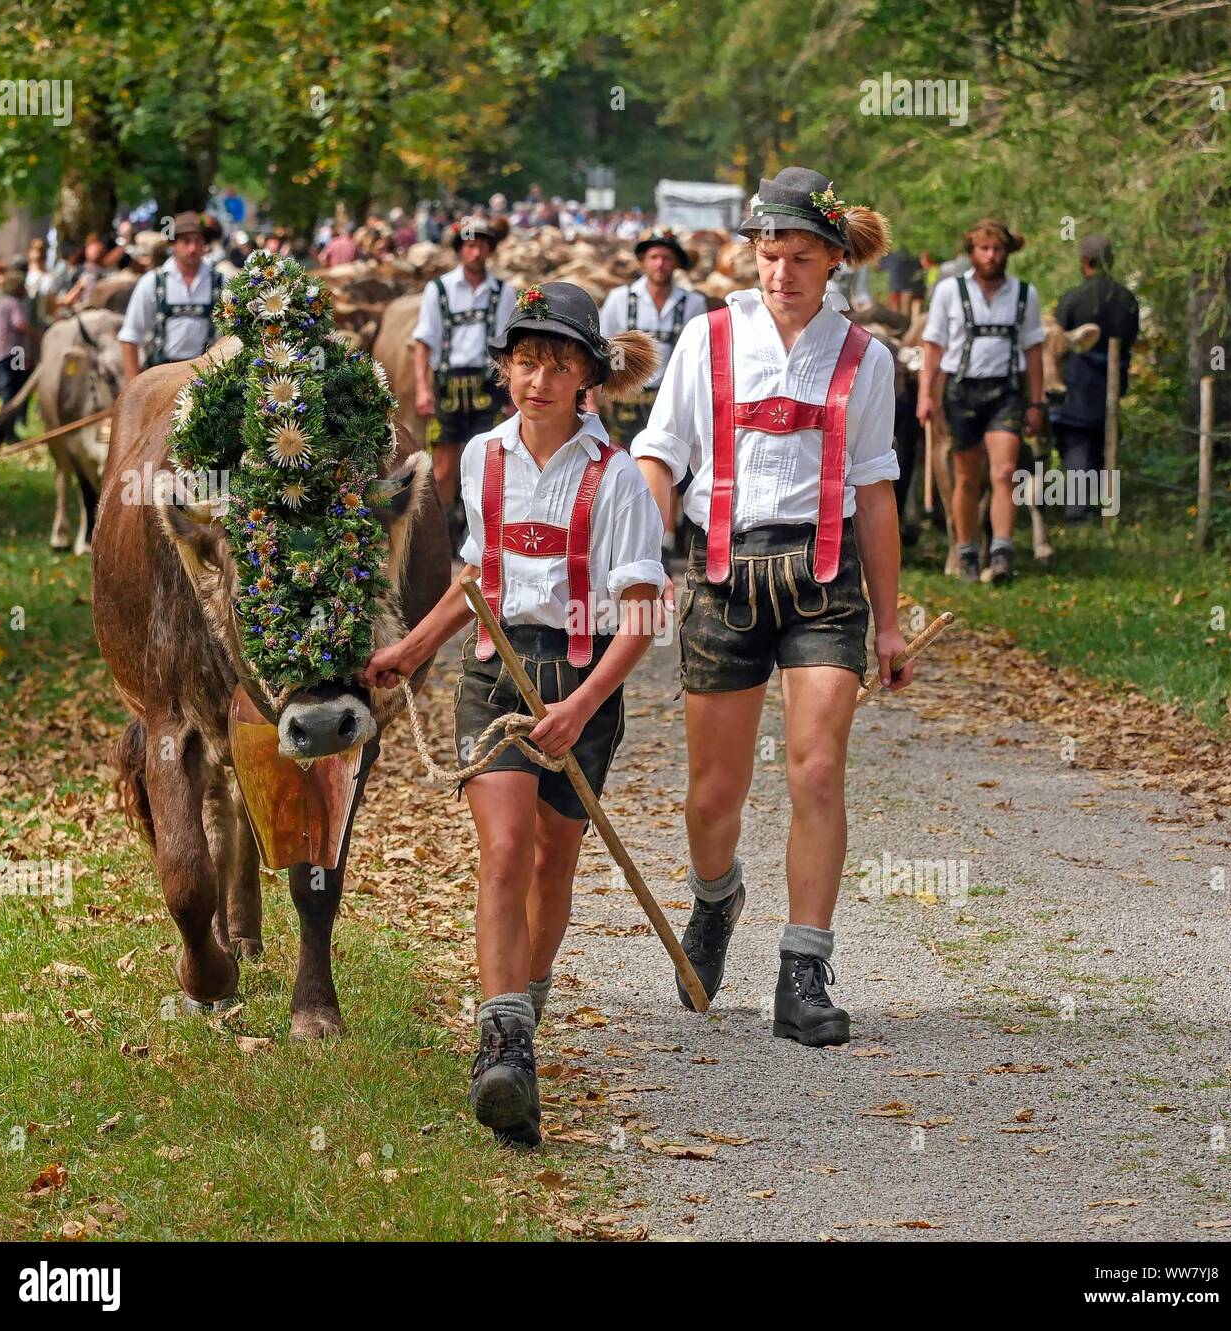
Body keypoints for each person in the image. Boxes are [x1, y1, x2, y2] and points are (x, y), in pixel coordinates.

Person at [363, 282, 664, 1146]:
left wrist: (581, 705)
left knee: (549, 864)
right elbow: (477, 578)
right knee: (503, 849)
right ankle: (503, 1047)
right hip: (494, 678)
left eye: (556, 364)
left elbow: (642, 610)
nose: (536, 378)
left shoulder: (618, 481)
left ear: (586, 380)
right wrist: (414, 649)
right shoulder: (486, 456)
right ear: (504, 370)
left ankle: (522, 1004)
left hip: (582, 681)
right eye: (523, 360)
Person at [632, 165, 911, 1047]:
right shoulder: (705, 340)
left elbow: (874, 491)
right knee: (713, 797)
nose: (779, 272)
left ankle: (803, 967)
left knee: (817, 769)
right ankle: (716, 898)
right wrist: (639, 562)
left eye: (797, 257)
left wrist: (893, 620)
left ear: (834, 260)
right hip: (720, 572)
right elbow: (660, 455)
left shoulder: (867, 360)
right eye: (766, 254)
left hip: (824, 582)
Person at [916, 218, 1045, 583]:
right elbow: (933, 345)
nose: (990, 256)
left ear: (1007, 253)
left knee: (1004, 472)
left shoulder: (1025, 294)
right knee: (968, 476)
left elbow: (1034, 350)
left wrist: (1036, 402)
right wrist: (925, 394)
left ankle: (1002, 553)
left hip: (1006, 390)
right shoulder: (949, 292)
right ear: (972, 252)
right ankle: (968, 551)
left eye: (997, 249)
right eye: (983, 249)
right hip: (962, 391)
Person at [412, 216, 517, 551]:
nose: (476, 251)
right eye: (469, 245)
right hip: (449, 382)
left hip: (488, 383)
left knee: (490, 462)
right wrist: (423, 388)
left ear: (489, 250)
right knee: (443, 465)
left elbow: (510, 346)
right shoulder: (439, 289)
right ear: (460, 250)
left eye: (482, 245)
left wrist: (512, 391)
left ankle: (483, 531)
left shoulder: (503, 291)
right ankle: (443, 527)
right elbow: (423, 343)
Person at [1051, 233, 1140, 523]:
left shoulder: (1072, 298)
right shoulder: (1127, 299)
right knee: (1102, 445)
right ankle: (1101, 506)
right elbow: (1129, 341)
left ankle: (1077, 511)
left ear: (1084, 262)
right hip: (1112, 383)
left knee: (1077, 445)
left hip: (1077, 385)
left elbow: (1058, 343)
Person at [598, 229, 707, 451]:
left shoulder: (693, 302)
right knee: (622, 456)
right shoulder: (619, 298)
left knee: (666, 456)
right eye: (654, 257)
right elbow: (601, 346)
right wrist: (596, 396)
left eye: (667, 258)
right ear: (643, 262)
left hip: (671, 396)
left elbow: (700, 355)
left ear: (676, 263)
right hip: (627, 395)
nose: (660, 264)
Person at [118, 212, 220, 379]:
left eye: (198, 241)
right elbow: (130, 336)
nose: (192, 248)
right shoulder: (151, 282)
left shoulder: (220, 283)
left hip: (208, 381)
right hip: (160, 378)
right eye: (186, 241)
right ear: (173, 244)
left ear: (205, 245)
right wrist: (133, 387)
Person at [0, 270, 37, 440]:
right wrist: (37, 335)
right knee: (13, 393)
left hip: (1, 352)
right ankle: (7, 433)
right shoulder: (13, 303)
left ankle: (4, 432)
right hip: (15, 352)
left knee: (6, 391)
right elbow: (19, 324)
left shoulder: (1, 302)